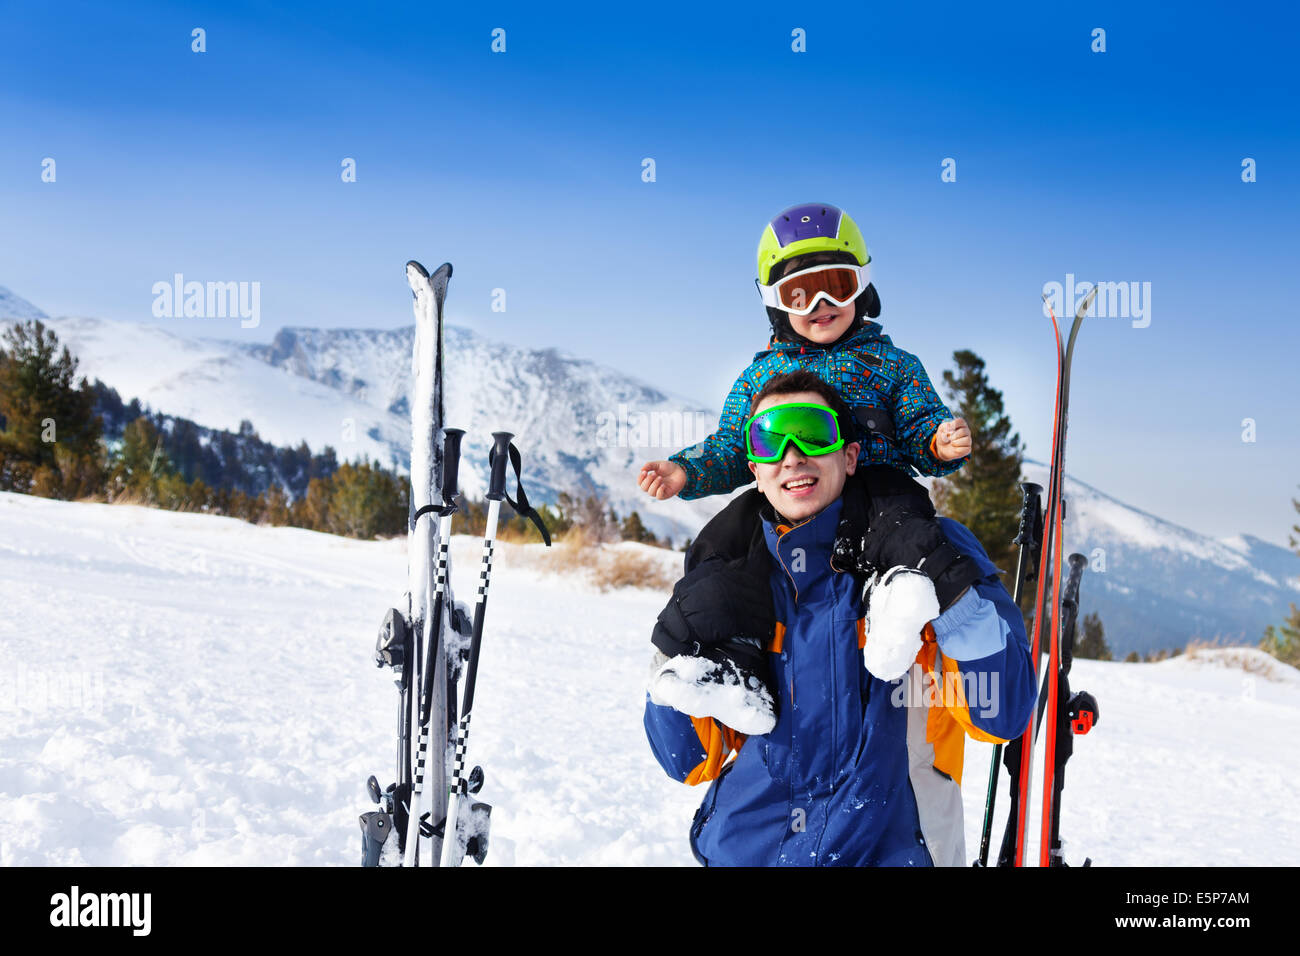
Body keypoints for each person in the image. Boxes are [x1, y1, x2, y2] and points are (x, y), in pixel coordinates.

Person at [642, 371, 1036, 866]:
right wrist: (673, 651)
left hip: (897, 850)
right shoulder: (728, 576)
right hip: (747, 851)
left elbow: (1002, 715)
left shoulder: (931, 552)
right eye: (770, 440)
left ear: (850, 457)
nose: (792, 454)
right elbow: (688, 761)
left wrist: (953, 593)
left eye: (813, 431)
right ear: (755, 469)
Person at [639, 202, 981, 731]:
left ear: (861, 289)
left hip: (872, 486)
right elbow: (735, 445)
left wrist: (938, 442)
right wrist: (686, 471)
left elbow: (918, 424)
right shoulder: (764, 373)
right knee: (722, 545)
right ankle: (734, 669)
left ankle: (900, 597)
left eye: (836, 285)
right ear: (775, 304)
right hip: (789, 497)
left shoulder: (891, 364)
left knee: (904, 519)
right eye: (799, 294)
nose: (820, 304)